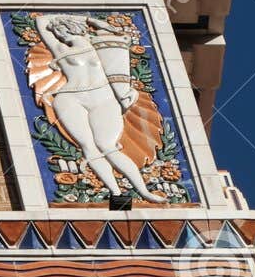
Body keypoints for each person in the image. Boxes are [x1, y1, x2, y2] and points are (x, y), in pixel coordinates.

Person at [35, 13, 161, 202]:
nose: (61, 33)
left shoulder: (101, 43)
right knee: (88, 148)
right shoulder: (58, 48)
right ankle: (116, 195)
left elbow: (118, 71)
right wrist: (86, 19)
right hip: (69, 98)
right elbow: (40, 21)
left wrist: (92, 21)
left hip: (103, 97)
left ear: (75, 27)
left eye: (64, 28)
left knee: (107, 146)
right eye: (58, 30)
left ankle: (144, 192)